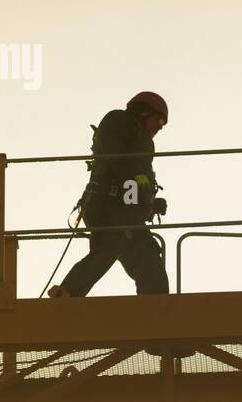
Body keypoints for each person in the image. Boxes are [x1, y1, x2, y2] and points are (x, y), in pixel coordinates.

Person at [48, 91, 170, 297]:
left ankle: (155, 308)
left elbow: (136, 179)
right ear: (142, 113)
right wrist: (139, 187)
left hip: (125, 213)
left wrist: (150, 202)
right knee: (108, 249)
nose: (160, 126)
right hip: (107, 206)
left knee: (148, 261)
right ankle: (66, 294)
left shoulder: (142, 141)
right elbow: (117, 160)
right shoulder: (119, 121)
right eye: (159, 120)